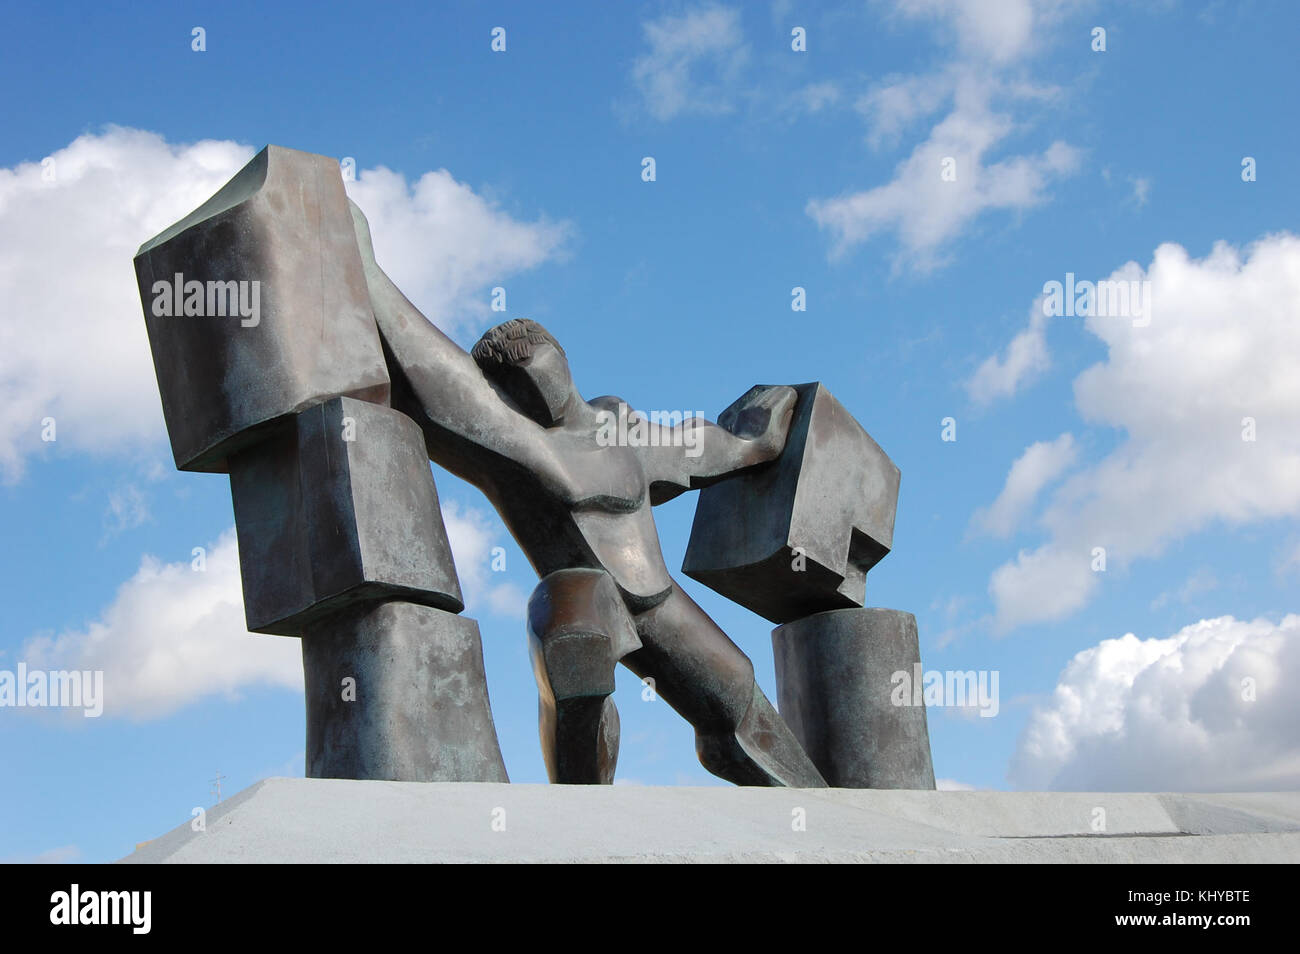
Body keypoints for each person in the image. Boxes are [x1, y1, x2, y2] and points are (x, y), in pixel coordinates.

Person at [349, 201, 826, 788]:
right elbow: (443, 388)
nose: (534, 388)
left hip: (661, 605)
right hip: (584, 597)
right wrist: (367, 271)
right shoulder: (518, 446)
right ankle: (579, 816)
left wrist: (758, 443)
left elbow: (697, 448)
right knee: (576, 645)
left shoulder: (617, 431)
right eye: (515, 384)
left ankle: (829, 817)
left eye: (540, 369)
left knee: (740, 716)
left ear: (563, 361)